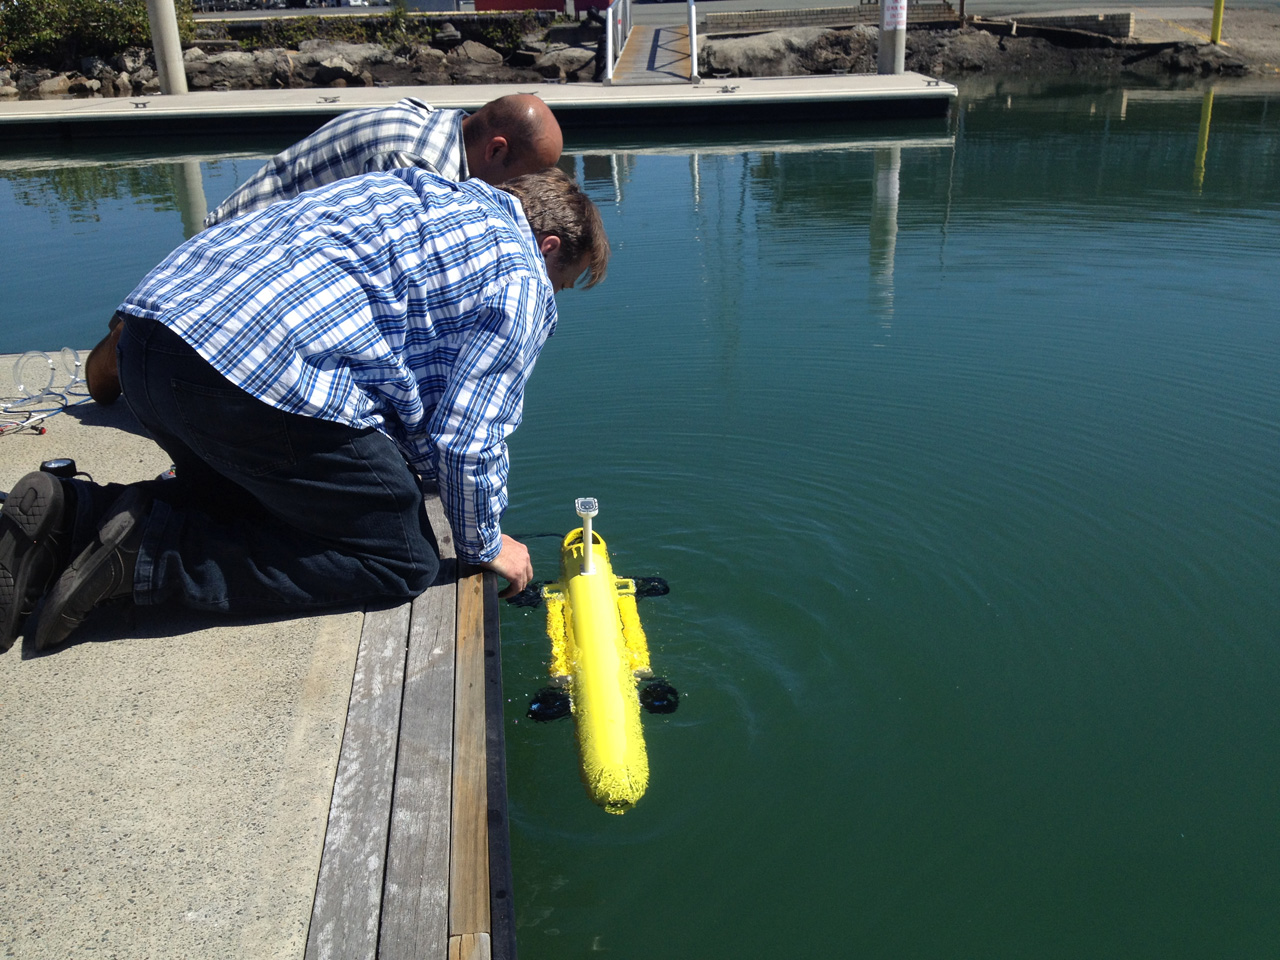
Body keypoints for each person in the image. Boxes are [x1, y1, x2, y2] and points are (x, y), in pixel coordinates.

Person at [0, 165, 608, 654]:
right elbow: (467, 438)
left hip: (149, 343)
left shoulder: (403, 188)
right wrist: (483, 543)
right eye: (562, 281)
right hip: (246, 380)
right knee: (400, 556)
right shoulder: (519, 275)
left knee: (263, 503)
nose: (552, 295)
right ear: (548, 245)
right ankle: (147, 560)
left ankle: (73, 518)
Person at [84, 93, 564, 406]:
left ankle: (134, 337)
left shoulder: (432, 123)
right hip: (246, 257)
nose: (522, 195)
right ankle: (125, 346)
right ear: (496, 150)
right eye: (523, 178)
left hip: (246, 241)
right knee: (130, 365)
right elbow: (392, 286)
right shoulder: (421, 171)